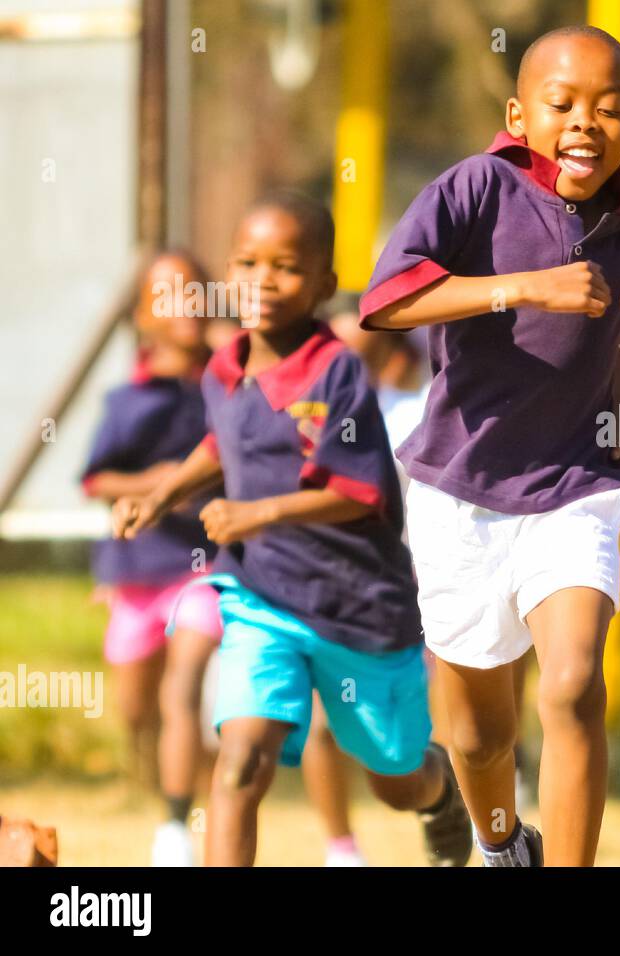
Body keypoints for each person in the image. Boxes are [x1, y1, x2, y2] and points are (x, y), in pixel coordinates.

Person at [360, 25, 620, 866]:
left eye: (609, 110)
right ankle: (501, 845)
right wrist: (524, 287)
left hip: (576, 481)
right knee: (478, 736)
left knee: (570, 687)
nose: (585, 124)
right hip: (457, 490)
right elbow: (385, 301)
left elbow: (607, 329)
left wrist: (618, 416)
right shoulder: (473, 189)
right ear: (518, 115)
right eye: (562, 105)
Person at [112, 194, 473, 867]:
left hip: (356, 607)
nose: (263, 281)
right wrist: (161, 494)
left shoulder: (337, 371)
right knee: (241, 761)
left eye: (286, 267)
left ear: (324, 285)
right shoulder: (224, 368)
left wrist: (257, 513)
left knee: (393, 779)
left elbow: (357, 492)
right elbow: (226, 445)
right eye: (247, 263)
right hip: (260, 595)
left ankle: (436, 788)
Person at [82, 249, 224, 866]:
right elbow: (95, 480)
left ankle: (176, 823)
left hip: (206, 566)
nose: (184, 305)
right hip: (138, 568)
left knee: (183, 685)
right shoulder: (127, 400)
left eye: (193, 291)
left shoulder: (229, 379)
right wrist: (156, 484)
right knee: (140, 705)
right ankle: (155, 777)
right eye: (167, 295)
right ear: (144, 314)